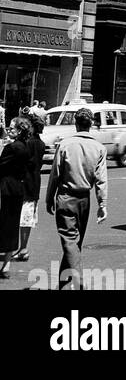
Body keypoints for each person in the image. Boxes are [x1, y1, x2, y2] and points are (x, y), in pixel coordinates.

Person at [45, 106, 107, 290]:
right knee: (74, 242)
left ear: (75, 123)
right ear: (92, 124)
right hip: (84, 200)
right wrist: (103, 204)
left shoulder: (65, 144)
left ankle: (79, 283)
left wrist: (49, 198)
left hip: (66, 197)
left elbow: (55, 174)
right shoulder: (99, 148)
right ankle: (63, 284)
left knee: (70, 241)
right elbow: (101, 180)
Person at [0, 118, 32, 279]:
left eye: (12, 128)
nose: (9, 129)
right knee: (11, 226)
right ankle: (6, 264)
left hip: (5, 188)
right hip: (18, 189)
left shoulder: (11, 148)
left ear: (19, 131)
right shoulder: (26, 147)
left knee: (3, 224)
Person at [14, 108, 47, 260]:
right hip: (34, 182)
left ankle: (18, 248)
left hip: (21, 181)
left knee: (17, 215)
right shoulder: (40, 143)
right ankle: (24, 247)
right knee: (27, 217)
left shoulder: (25, 143)